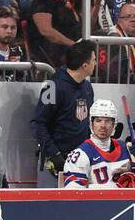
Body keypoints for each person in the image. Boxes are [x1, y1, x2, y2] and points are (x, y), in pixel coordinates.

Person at [30, 39, 98, 185]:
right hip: (54, 166)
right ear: (84, 65)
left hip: (81, 162)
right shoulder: (53, 87)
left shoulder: (87, 87)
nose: (96, 63)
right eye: (94, 60)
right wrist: (55, 154)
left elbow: (87, 124)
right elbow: (38, 123)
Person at [61, 99, 135, 188]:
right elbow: (74, 194)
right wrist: (115, 188)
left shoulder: (128, 149)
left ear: (114, 124)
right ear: (91, 123)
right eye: (98, 120)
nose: (103, 125)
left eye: (107, 121)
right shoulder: (80, 155)